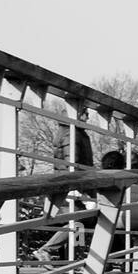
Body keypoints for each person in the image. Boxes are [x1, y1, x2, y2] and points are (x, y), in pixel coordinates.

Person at [35, 107, 95, 263]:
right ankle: (47, 249)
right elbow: (71, 162)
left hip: (73, 183)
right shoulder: (72, 134)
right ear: (75, 114)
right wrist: (77, 187)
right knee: (79, 221)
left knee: (79, 222)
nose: (87, 116)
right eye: (85, 113)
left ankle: (76, 259)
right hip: (75, 184)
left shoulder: (72, 133)